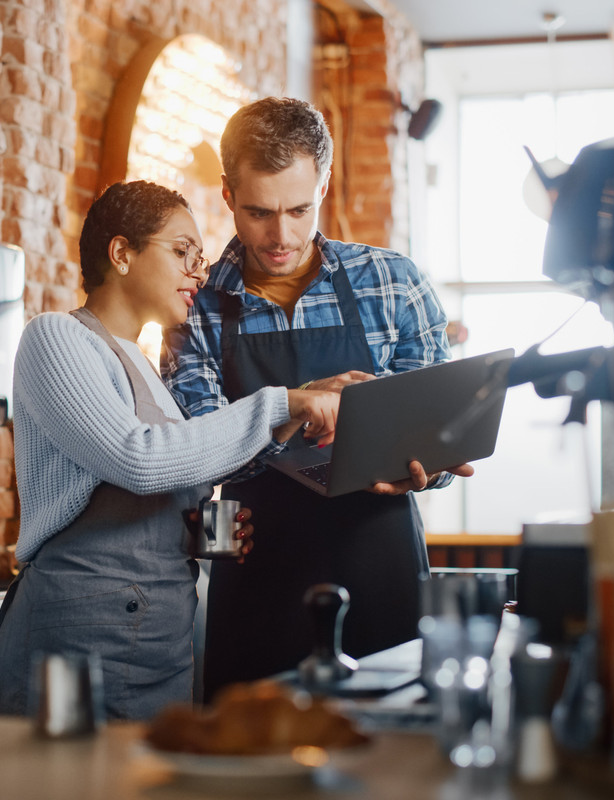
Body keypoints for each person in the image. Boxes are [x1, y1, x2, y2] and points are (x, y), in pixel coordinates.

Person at [0, 180, 340, 722]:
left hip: (158, 644)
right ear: (121, 253)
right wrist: (281, 403)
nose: (199, 273)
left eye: (200, 258)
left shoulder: (146, 368)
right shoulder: (55, 337)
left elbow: (153, 483)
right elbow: (139, 459)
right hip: (78, 642)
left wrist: (195, 533)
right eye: (182, 253)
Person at [163, 97, 474, 700]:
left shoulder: (394, 282)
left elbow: (437, 430)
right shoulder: (194, 306)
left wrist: (429, 466)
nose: (281, 236)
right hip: (259, 576)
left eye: (299, 209)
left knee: (390, 745)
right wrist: (298, 403)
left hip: (381, 563)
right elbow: (197, 450)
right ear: (228, 194)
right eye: (259, 212)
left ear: (324, 185)